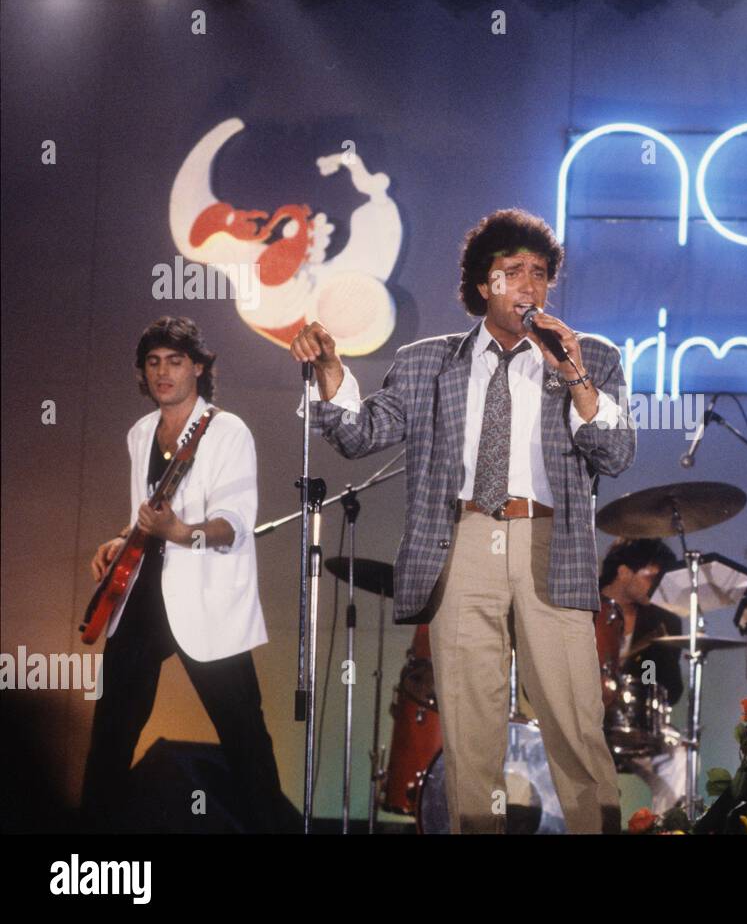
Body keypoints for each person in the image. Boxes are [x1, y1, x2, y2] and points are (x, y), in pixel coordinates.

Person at [292, 208, 634, 833]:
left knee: (576, 722)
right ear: (483, 285)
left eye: (539, 273)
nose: (528, 286)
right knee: (471, 729)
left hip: (550, 541)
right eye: (511, 272)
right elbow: (360, 432)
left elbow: (616, 453)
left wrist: (576, 375)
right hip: (464, 538)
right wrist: (331, 373)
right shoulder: (430, 361)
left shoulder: (590, 358)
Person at [83, 316, 285, 833]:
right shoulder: (140, 433)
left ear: (198, 367)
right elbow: (145, 516)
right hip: (143, 594)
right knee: (111, 731)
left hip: (208, 598)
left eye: (175, 361)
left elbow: (234, 526)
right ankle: (88, 851)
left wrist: (180, 532)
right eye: (153, 362)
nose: (163, 372)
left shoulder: (227, 430)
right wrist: (122, 541)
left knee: (243, 734)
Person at [596, 538, 686, 814]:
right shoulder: (581, 606)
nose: (657, 586)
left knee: (677, 756)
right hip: (583, 723)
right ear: (624, 572)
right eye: (652, 577)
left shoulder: (664, 620)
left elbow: (672, 688)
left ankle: (668, 830)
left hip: (636, 728)